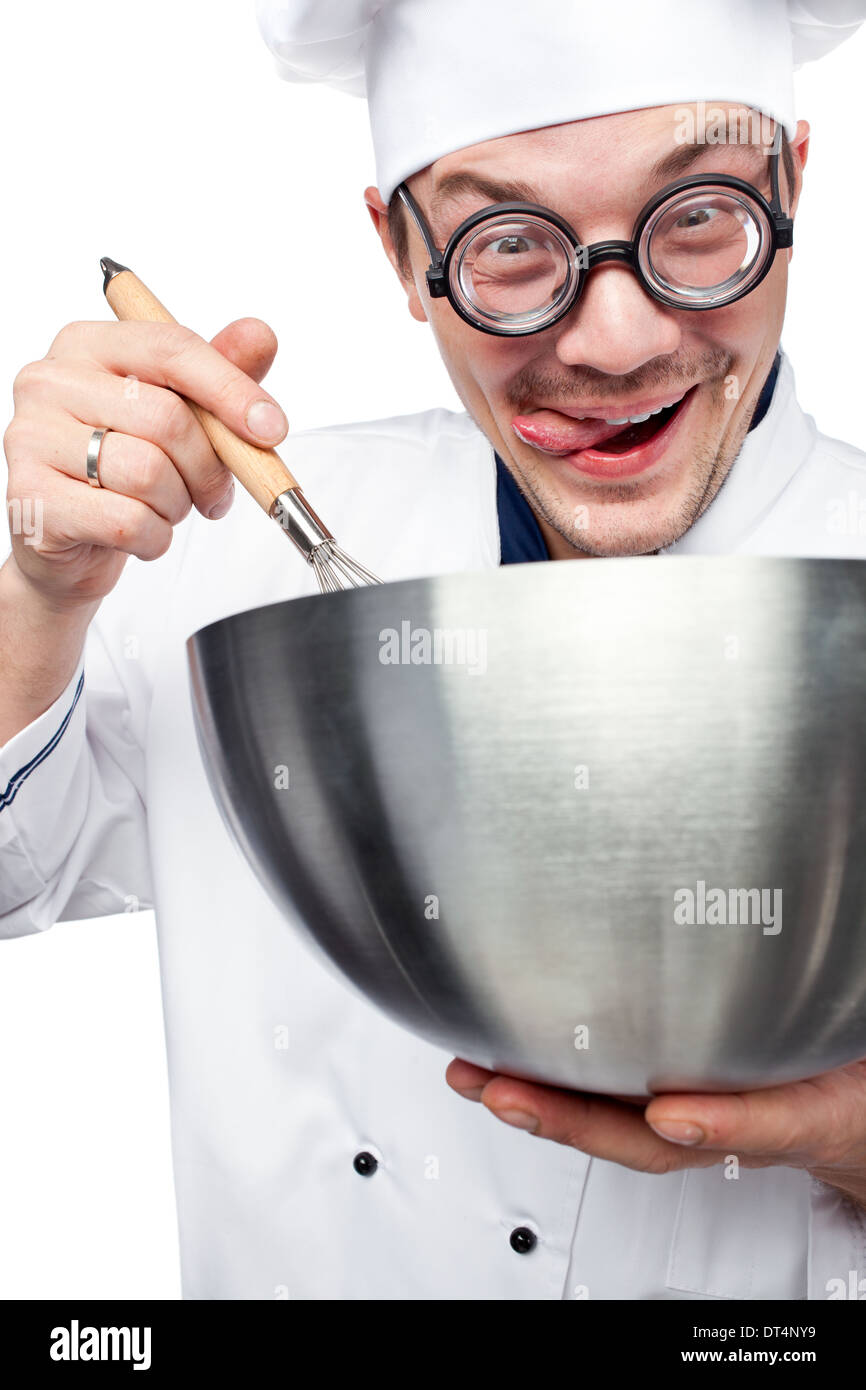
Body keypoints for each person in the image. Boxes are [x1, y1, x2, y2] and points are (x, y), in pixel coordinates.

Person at [1, 0, 866, 1300]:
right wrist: (38, 585)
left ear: (791, 183)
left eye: (697, 219)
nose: (615, 341)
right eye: (506, 243)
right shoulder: (225, 571)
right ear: (401, 251)